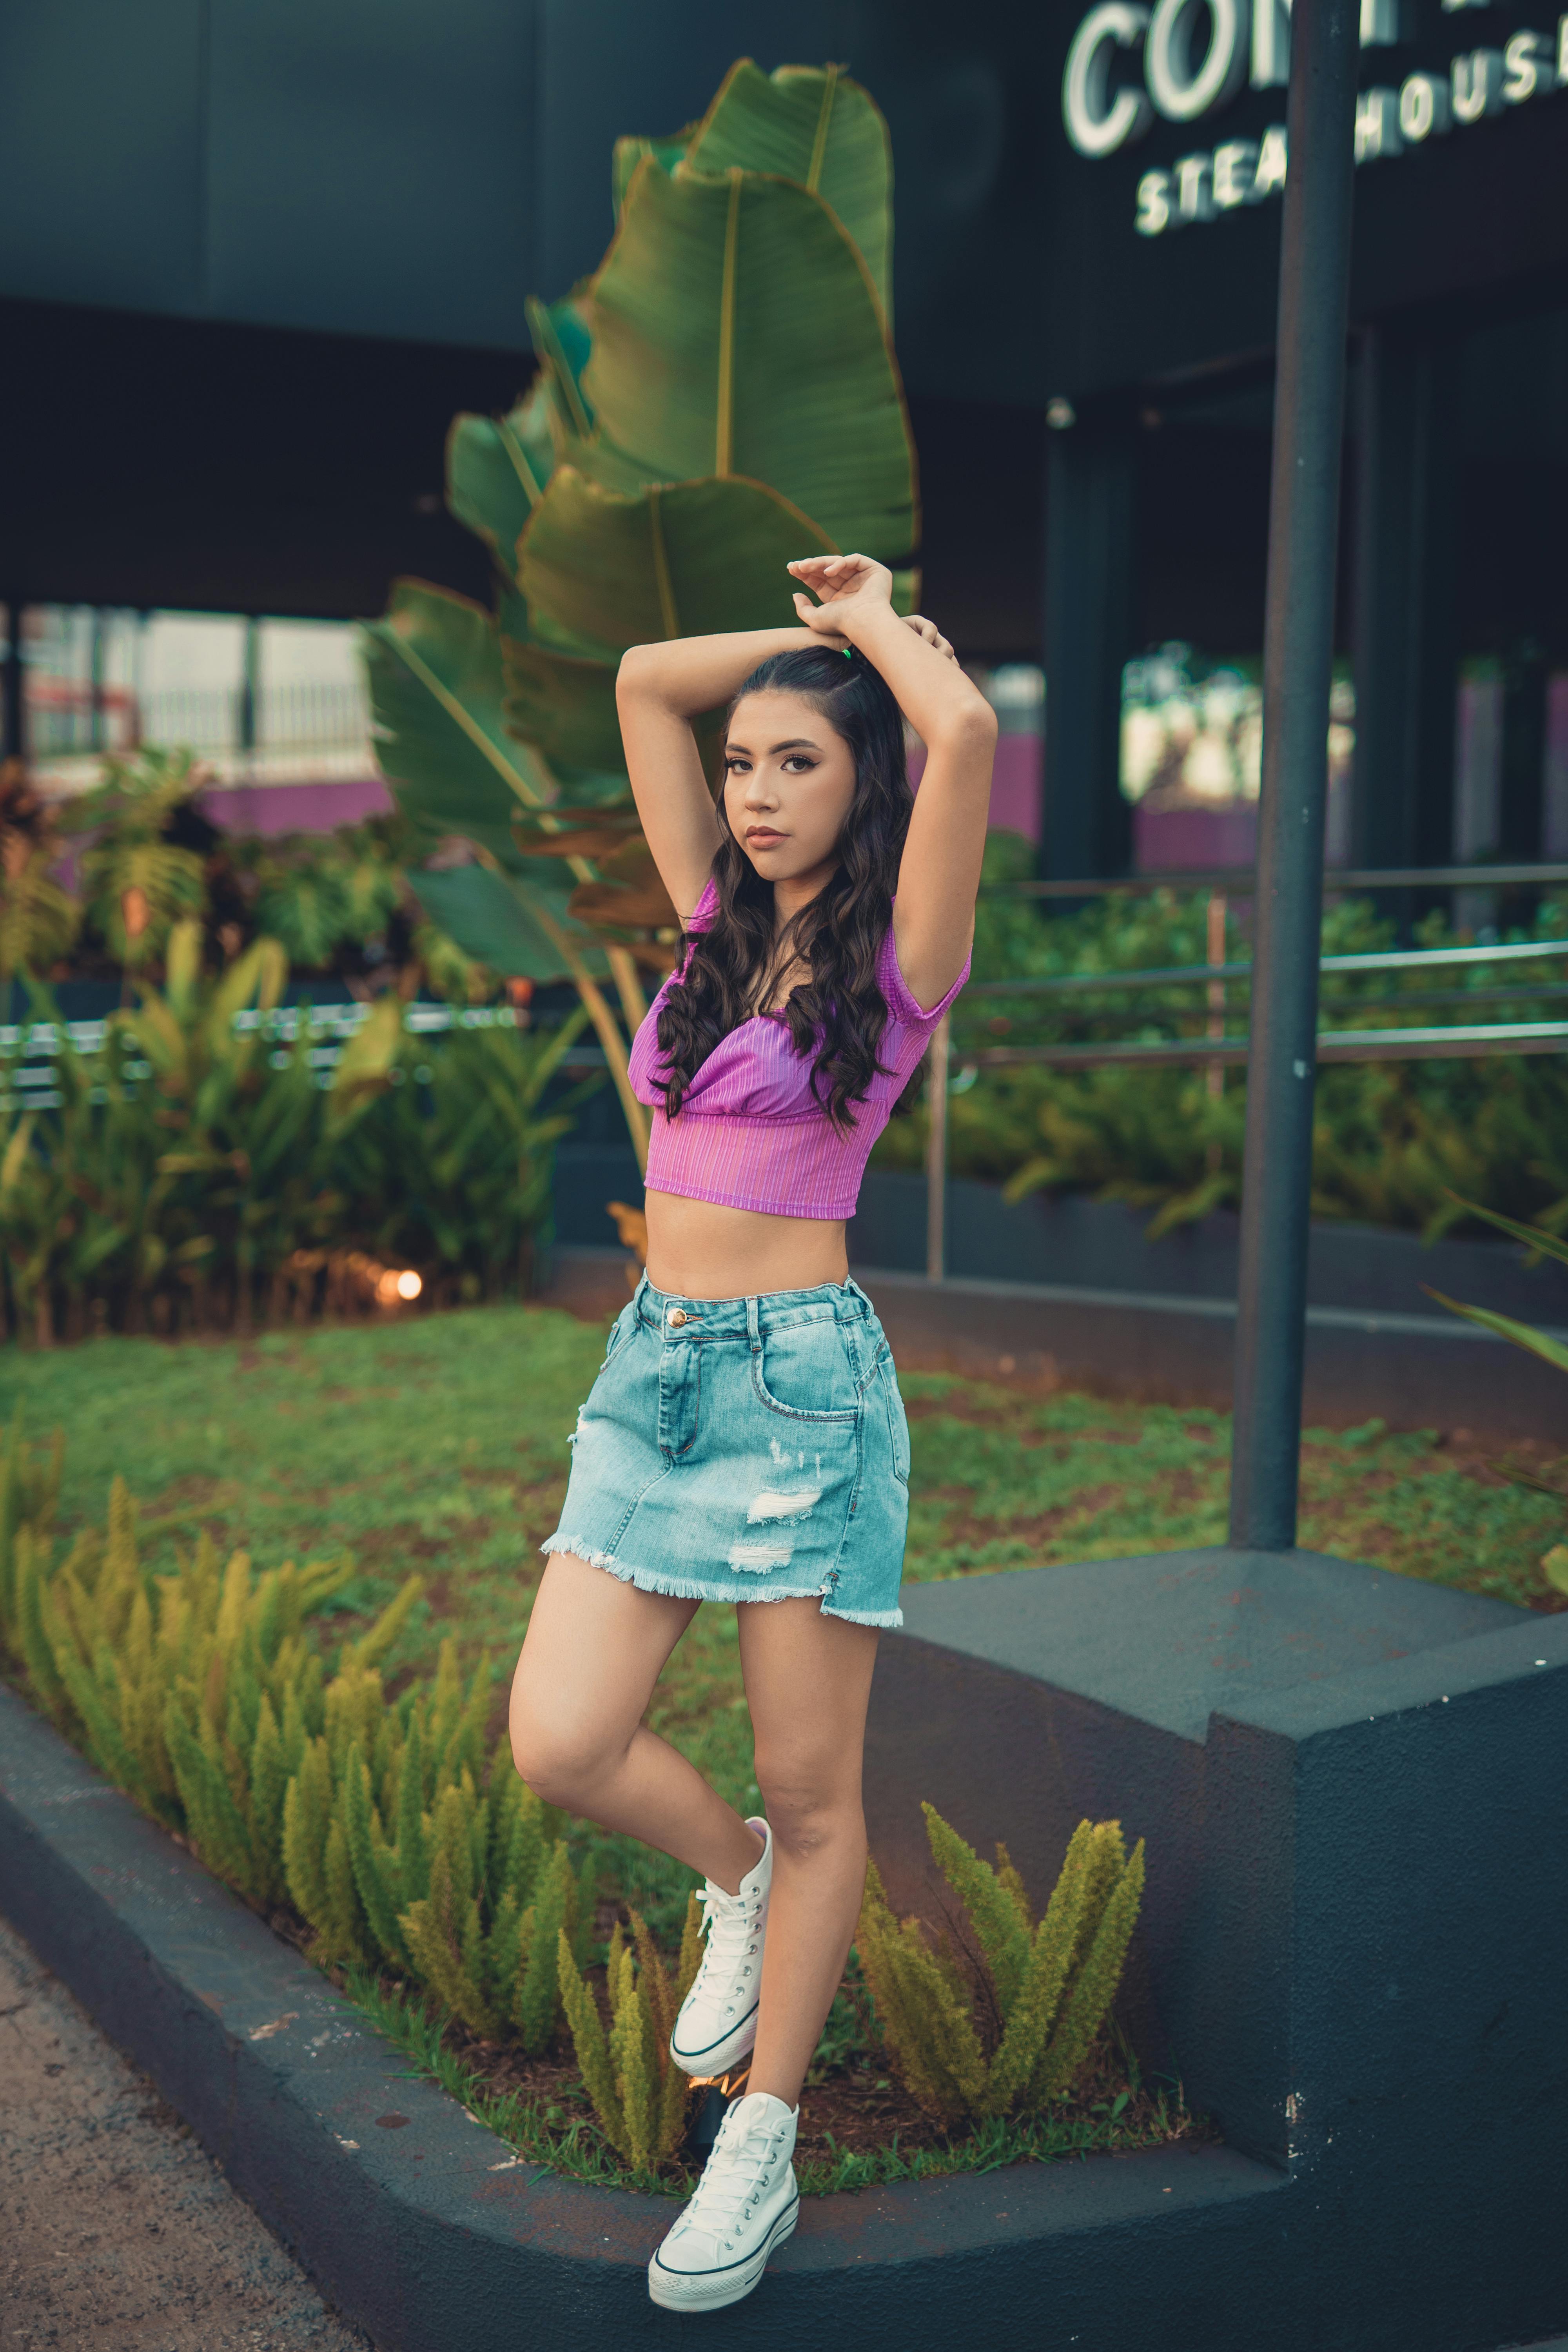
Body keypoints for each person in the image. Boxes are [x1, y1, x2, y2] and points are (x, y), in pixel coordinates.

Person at [508, 552, 996, 2312]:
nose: (759, 792)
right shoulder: (714, 925)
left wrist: (876, 632)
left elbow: (960, 717)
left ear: (864, 782)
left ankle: (762, 2144)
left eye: (799, 762)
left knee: (814, 1794)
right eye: (748, 765)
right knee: (558, 1738)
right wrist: (807, 641)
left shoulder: (903, 952)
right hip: (657, 1373)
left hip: (802, 1388)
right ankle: (723, 1886)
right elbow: (646, 676)